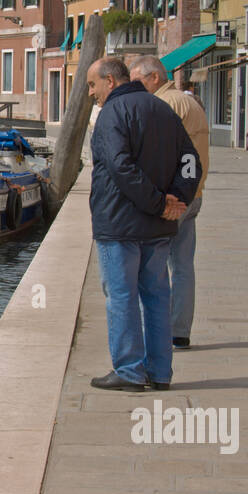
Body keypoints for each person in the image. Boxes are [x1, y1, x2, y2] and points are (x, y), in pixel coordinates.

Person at [87, 57, 202, 392]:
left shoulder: (111, 114)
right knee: (156, 295)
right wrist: (176, 199)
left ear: (110, 80)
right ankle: (160, 371)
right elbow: (190, 160)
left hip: (119, 223)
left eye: (93, 84)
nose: (91, 93)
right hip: (157, 226)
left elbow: (120, 168)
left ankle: (129, 371)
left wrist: (160, 202)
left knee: (121, 295)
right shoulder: (163, 109)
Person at [130, 55, 210, 349]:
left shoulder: (164, 105)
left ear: (154, 78)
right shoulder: (191, 103)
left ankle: (157, 331)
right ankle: (179, 330)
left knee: (154, 265)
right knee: (184, 266)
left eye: (138, 81)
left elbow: (157, 154)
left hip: (173, 198)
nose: (135, 89)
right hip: (194, 194)